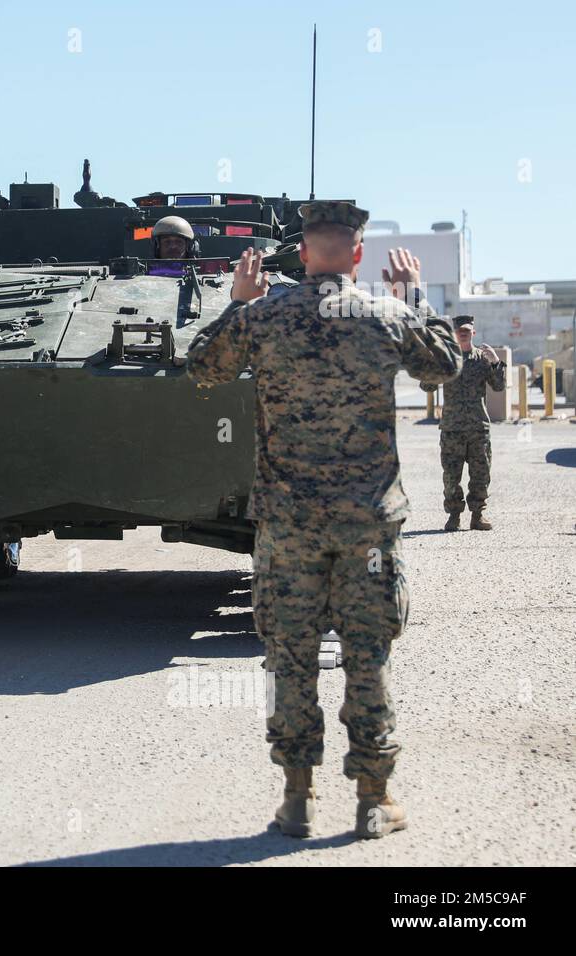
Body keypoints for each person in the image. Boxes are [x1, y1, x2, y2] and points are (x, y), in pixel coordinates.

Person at [185, 201, 462, 839]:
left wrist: (238, 299)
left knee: (291, 659)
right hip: (368, 526)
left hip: (289, 528)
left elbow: (203, 367)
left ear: (303, 254)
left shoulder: (263, 316)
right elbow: (444, 365)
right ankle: (373, 798)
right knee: (368, 658)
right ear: (359, 254)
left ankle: (296, 799)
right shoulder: (387, 315)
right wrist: (415, 296)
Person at [420, 316, 505, 531]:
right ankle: (454, 516)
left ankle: (478, 515)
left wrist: (496, 363)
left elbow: (498, 386)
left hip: (478, 428)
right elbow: (427, 387)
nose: (463, 333)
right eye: (460, 330)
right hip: (452, 429)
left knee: (481, 474)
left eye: (467, 330)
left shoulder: (483, 360)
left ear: (473, 333)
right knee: (450, 476)